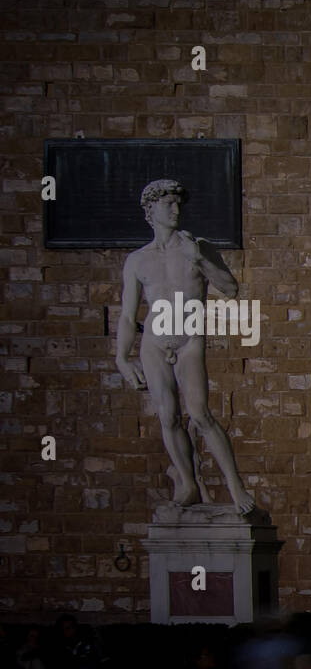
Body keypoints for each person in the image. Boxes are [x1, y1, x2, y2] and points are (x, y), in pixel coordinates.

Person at [116, 178, 255, 513]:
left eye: (178, 204)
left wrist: (202, 260)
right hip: (154, 343)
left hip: (189, 340)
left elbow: (231, 289)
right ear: (150, 211)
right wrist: (122, 358)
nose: (176, 210)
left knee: (200, 413)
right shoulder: (137, 260)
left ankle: (235, 488)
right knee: (168, 417)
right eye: (168, 204)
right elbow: (126, 314)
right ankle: (188, 482)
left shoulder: (198, 246)